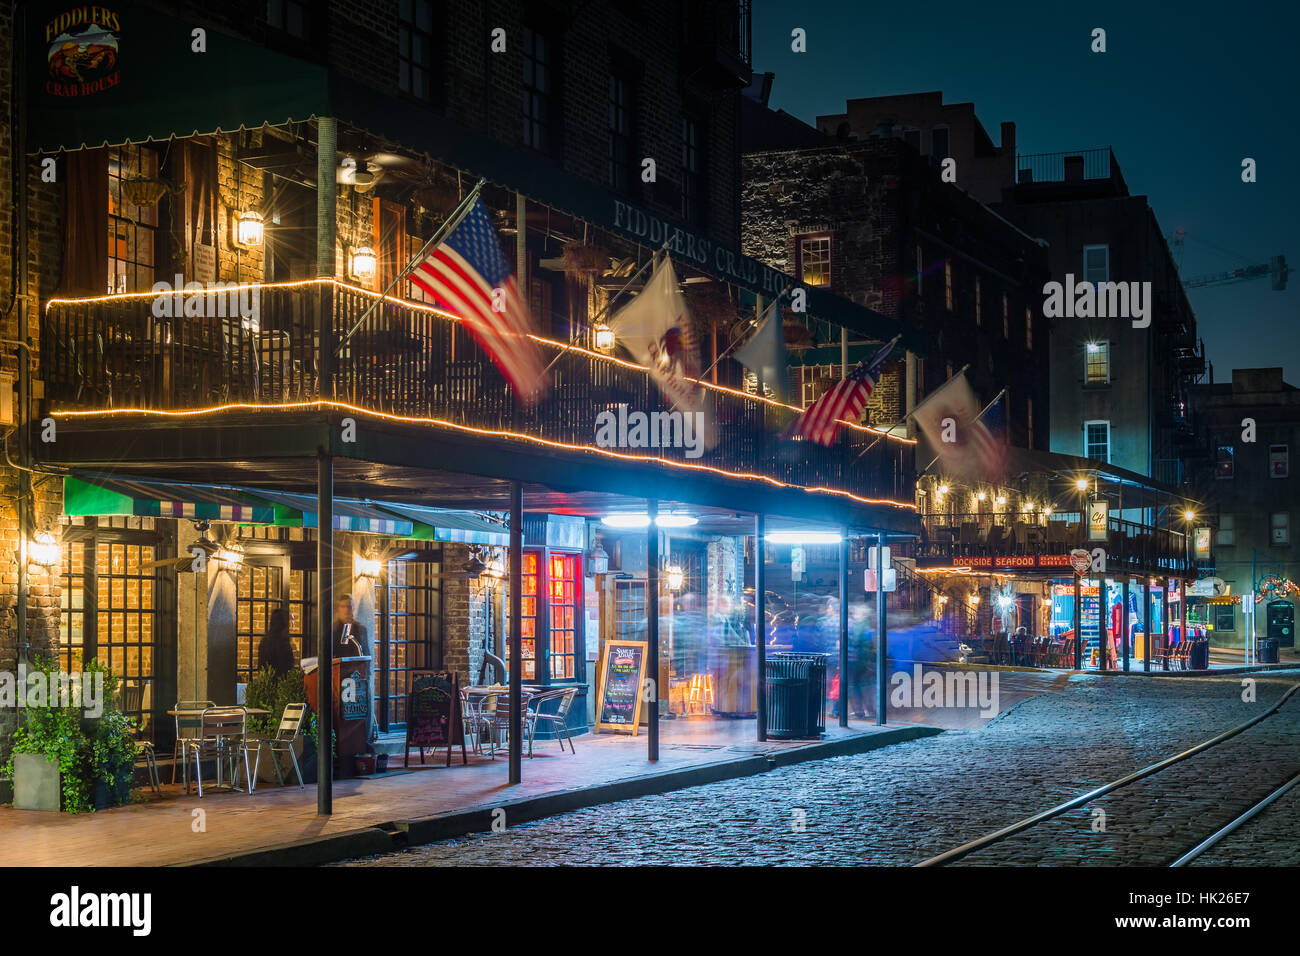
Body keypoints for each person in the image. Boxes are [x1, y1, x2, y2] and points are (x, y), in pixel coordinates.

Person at [257, 607, 294, 678]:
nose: (289, 625)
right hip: (282, 682)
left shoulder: (265, 641)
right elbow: (287, 666)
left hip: (269, 683)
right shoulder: (283, 642)